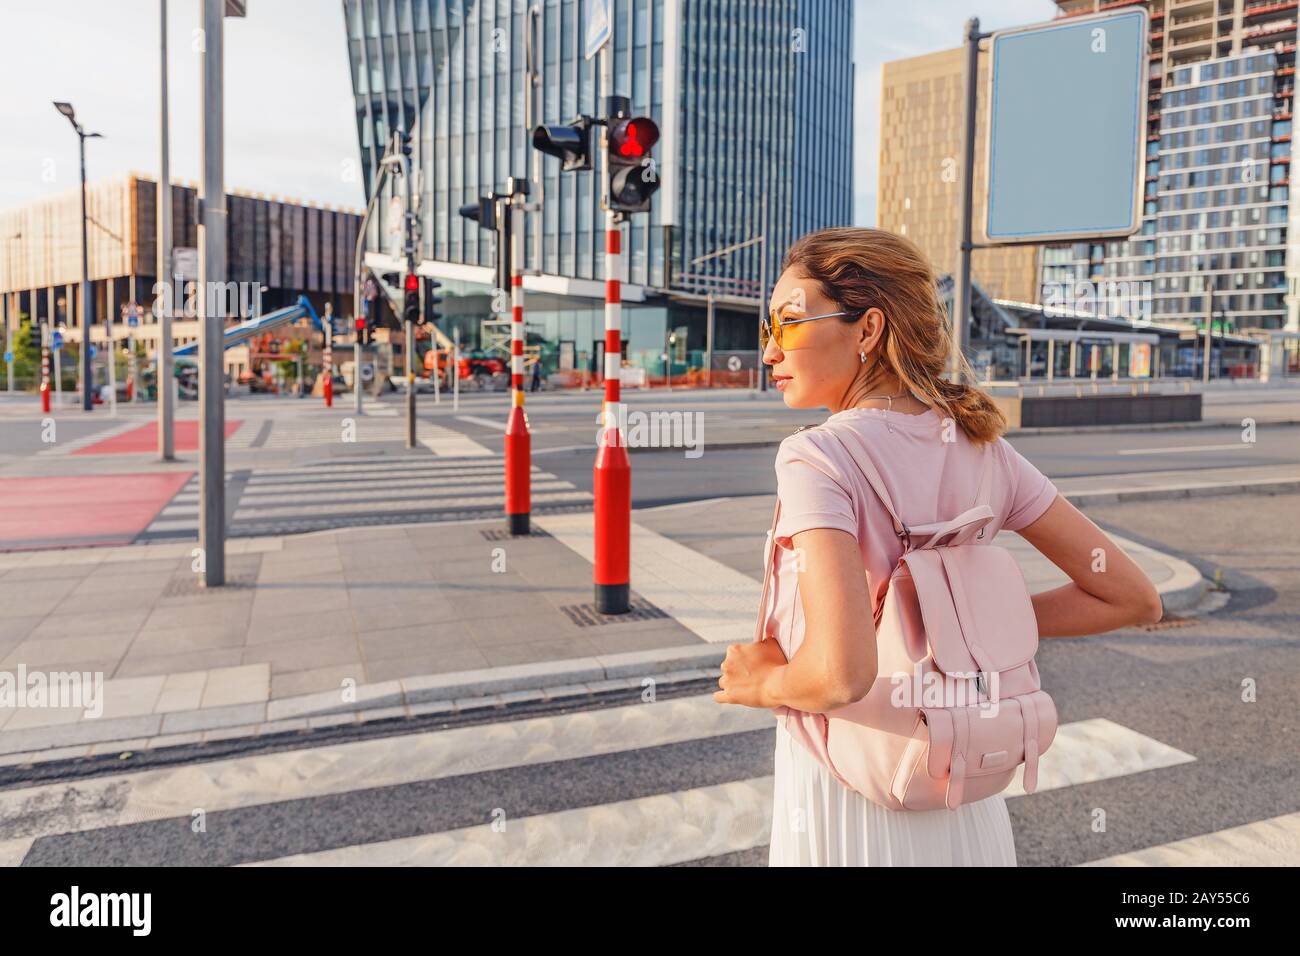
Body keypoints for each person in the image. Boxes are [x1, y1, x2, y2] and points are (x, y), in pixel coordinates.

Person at [713, 227, 1163, 866]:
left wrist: (762, 685)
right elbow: (1131, 597)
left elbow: (839, 676)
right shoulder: (985, 449)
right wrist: (960, 629)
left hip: (852, 794)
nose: (768, 351)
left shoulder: (819, 456)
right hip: (961, 786)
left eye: (787, 323)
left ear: (867, 330)